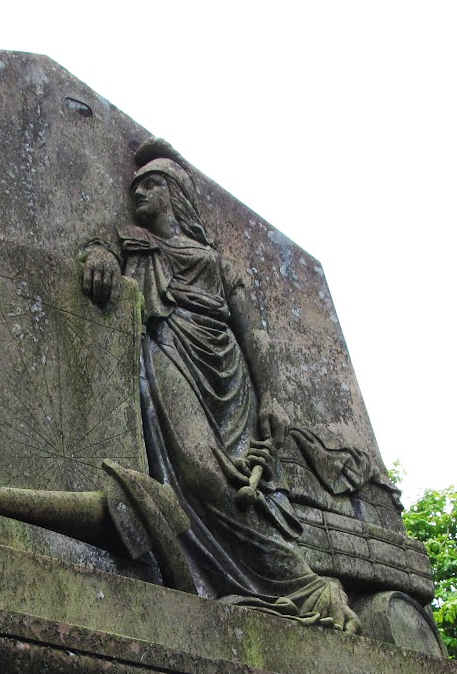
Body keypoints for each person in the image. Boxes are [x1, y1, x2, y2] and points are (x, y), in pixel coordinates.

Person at [80, 140, 360, 634]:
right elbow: (99, 247)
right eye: (135, 186)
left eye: (151, 184)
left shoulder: (218, 263)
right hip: (170, 347)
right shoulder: (135, 244)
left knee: (238, 482)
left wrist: (271, 394)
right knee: (201, 470)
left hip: (227, 372)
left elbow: (253, 333)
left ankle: (301, 587)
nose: (139, 192)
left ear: (177, 195)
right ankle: (297, 586)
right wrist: (99, 255)